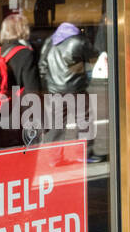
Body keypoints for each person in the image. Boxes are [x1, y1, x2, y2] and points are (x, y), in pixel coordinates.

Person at [0, 11, 41, 150]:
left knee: (2, 166)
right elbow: (32, 91)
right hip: (20, 119)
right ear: (23, 29)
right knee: (25, 165)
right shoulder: (26, 54)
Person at [38, 20, 98, 151]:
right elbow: (94, 57)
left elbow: (42, 66)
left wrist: (47, 86)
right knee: (84, 121)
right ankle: (85, 154)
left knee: (57, 124)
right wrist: (85, 75)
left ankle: (55, 157)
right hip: (76, 89)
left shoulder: (50, 41)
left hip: (55, 90)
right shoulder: (79, 41)